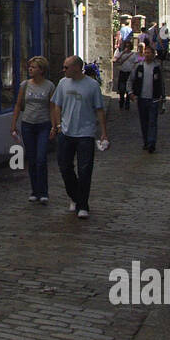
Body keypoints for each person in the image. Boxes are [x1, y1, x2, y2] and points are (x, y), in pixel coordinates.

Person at [50, 56, 109, 219]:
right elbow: (57, 105)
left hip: (86, 133)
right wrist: (57, 126)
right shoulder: (63, 83)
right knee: (64, 167)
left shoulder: (92, 85)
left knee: (85, 170)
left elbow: (99, 109)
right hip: (66, 132)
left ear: (76, 68)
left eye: (66, 67)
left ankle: (83, 205)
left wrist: (103, 132)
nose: (63, 70)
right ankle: (75, 196)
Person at [9, 55, 54, 204]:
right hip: (28, 124)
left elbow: (52, 107)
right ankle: (35, 190)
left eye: (33, 67)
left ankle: (44, 191)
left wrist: (55, 125)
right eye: (30, 67)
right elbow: (18, 104)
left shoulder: (49, 86)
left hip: (43, 124)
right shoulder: (25, 85)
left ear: (41, 70)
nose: (30, 69)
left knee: (41, 159)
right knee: (32, 159)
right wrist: (14, 123)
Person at [132, 43, 165, 153]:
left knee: (152, 121)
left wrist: (163, 97)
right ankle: (146, 141)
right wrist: (131, 92)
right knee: (144, 121)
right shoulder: (139, 66)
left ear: (153, 54)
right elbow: (131, 80)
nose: (147, 55)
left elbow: (161, 83)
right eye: (145, 53)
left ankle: (151, 143)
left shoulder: (157, 67)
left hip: (154, 98)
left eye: (149, 53)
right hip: (141, 98)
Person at [116, 40, 140, 109]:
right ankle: (121, 100)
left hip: (129, 72)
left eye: (129, 46)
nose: (127, 47)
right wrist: (122, 53)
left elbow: (136, 63)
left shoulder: (134, 55)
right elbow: (117, 60)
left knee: (128, 88)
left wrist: (134, 69)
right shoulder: (121, 53)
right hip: (122, 72)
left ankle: (127, 102)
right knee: (121, 88)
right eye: (126, 46)